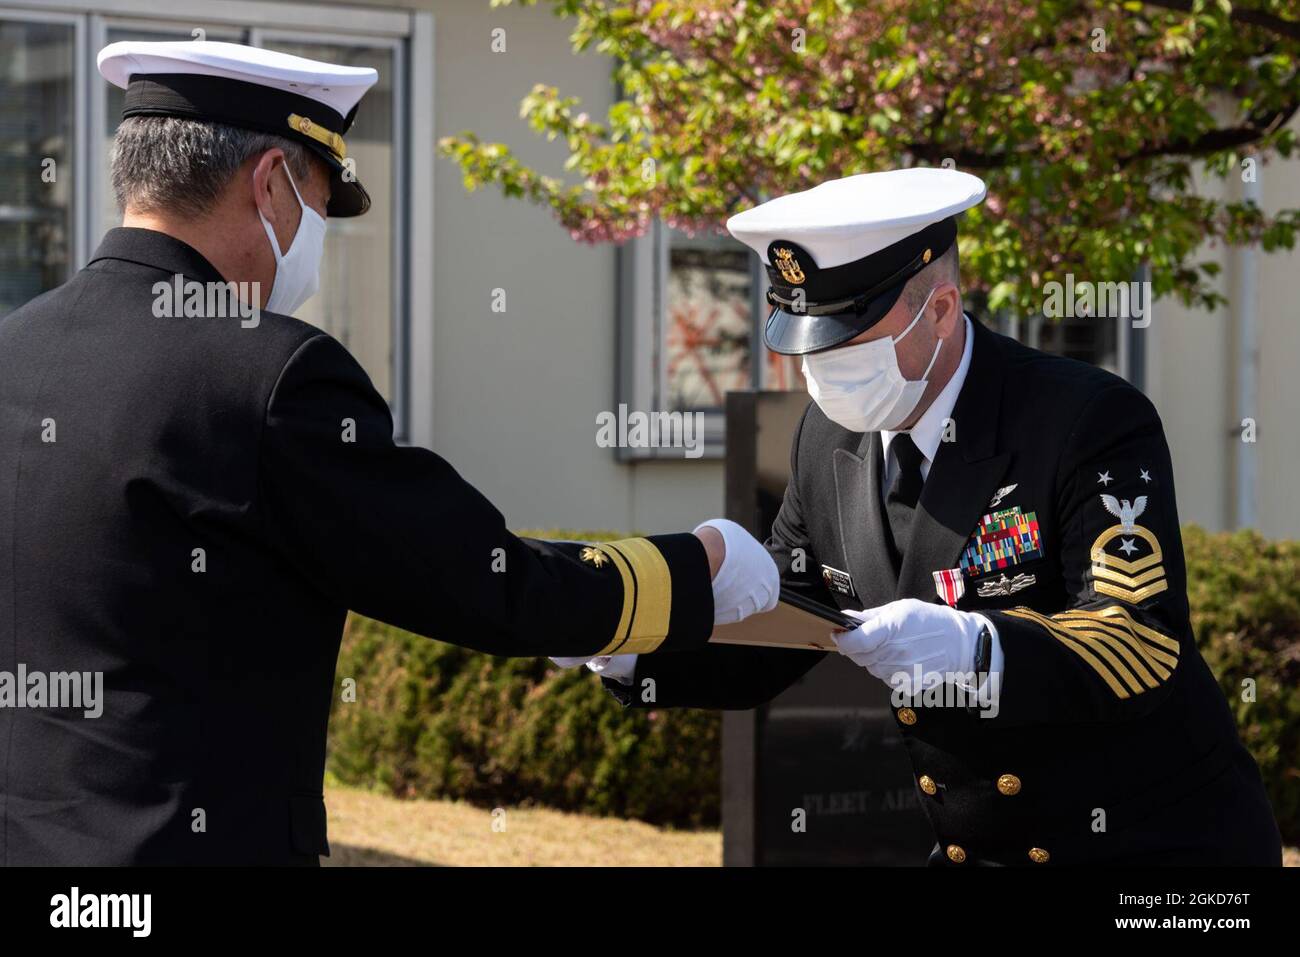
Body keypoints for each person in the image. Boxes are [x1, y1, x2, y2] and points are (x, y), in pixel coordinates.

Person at [0, 40, 778, 865]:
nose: (316, 238)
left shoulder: (15, 348)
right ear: (269, 183)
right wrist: (695, 568)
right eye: (318, 203)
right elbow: (478, 581)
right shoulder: (269, 374)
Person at [567, 168, 1282, 866]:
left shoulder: (1085, 419)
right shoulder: (828, 437)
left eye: (850, 340)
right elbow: (787, 625)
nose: (823, 368)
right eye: (810, 344)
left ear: (940, 309)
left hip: (1155, 851)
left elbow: (1140, 639)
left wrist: (980, 650)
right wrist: (627, 634)